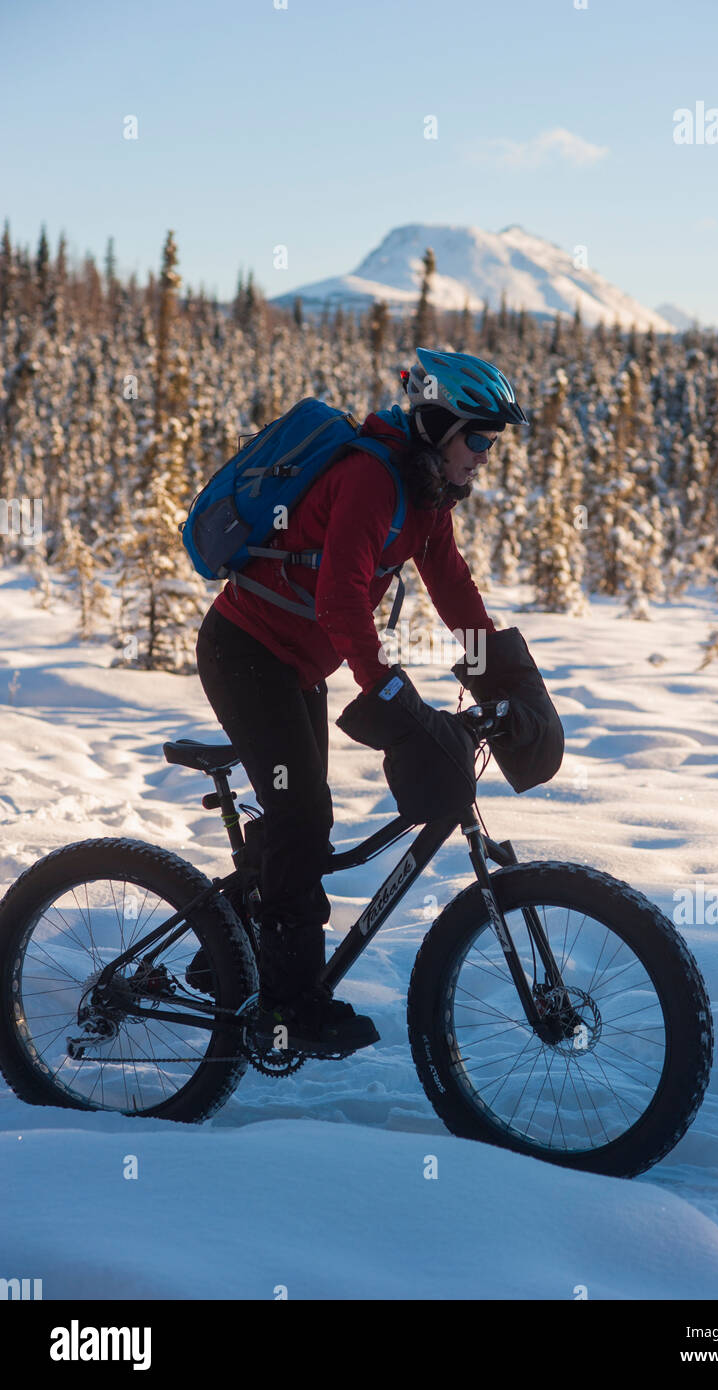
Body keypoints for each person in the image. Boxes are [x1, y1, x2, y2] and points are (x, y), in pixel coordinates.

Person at [194, 348, 528, 1055]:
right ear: (439, 426)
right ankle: (288, 1006)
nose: (485, 456)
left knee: (300, 819)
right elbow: (339, 601)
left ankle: (218, 954)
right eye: (478, 438)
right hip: (246, 652)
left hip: (295, 666)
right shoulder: (371, 478)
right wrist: (389, 691)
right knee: (301, 813)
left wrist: (498, 673)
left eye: (492, 444)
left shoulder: (426, 491)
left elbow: (452, 587)